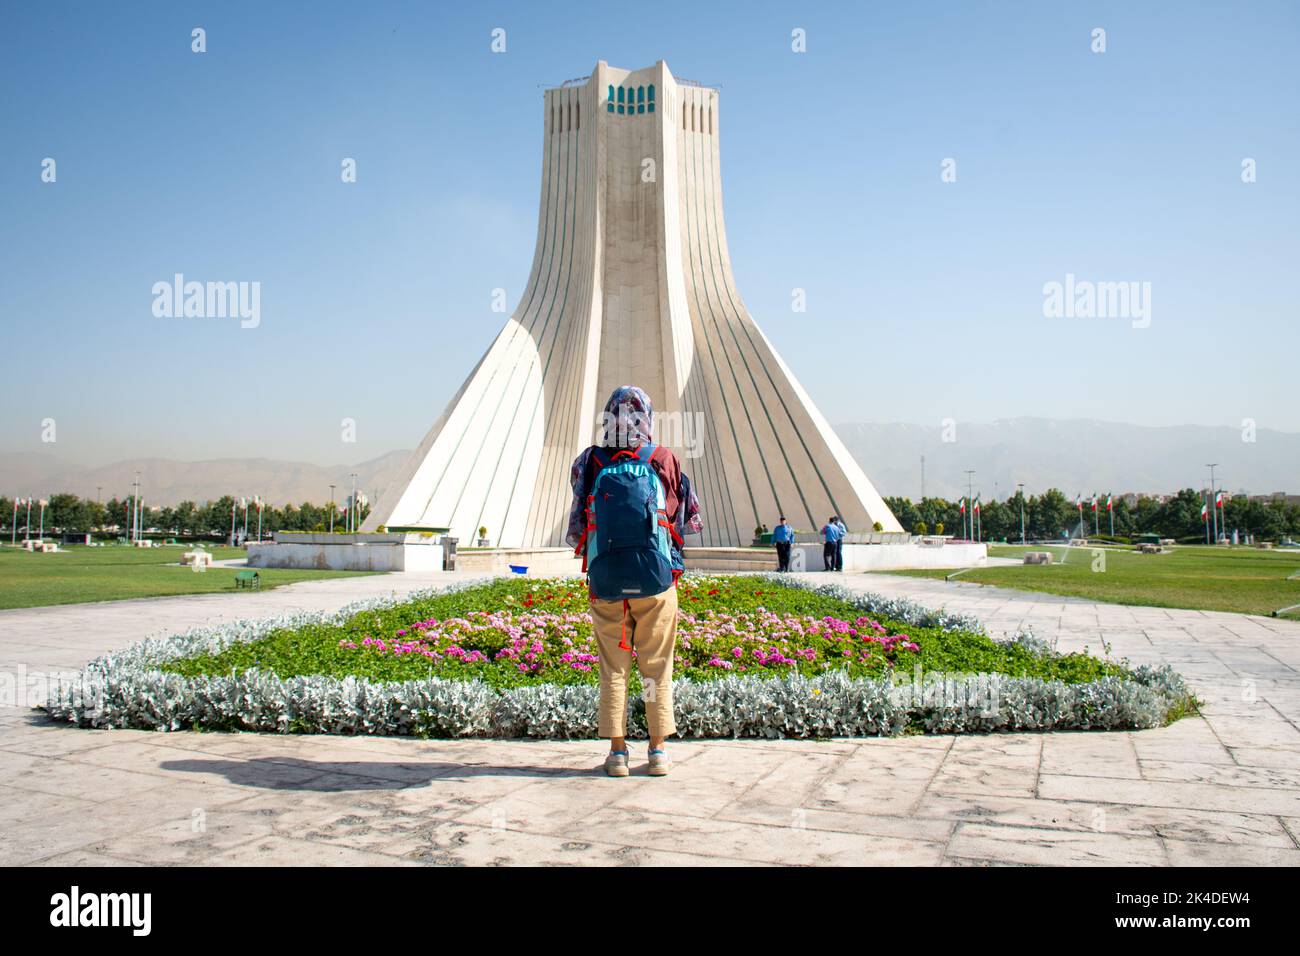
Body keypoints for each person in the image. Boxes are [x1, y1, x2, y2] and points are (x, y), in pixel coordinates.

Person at [566, 386, 703, 778]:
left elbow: (579, 520)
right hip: (657, 581)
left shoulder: (589, 460)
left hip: (606, 581)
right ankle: (657, 750)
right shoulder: (663, 458)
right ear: (648, 417)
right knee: (656, 666)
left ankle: (617, 753)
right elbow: (682, 520)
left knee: (613, 665)